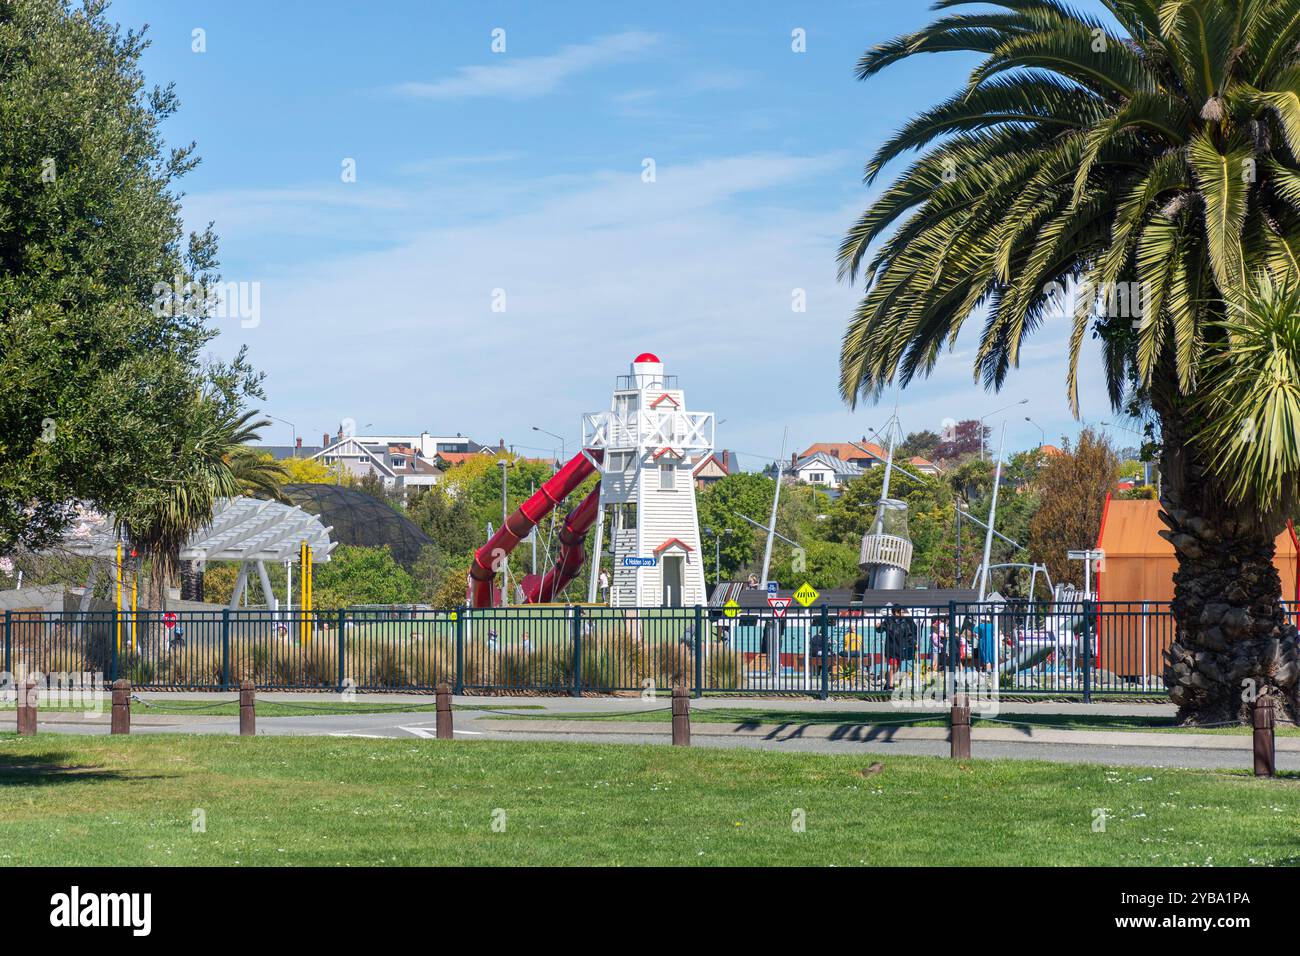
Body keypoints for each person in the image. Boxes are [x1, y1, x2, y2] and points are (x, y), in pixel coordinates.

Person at [882, 605, 915, 690]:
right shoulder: (888, 621)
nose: (904, 613)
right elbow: (880, 630)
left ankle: (887, 683)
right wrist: (878, 626)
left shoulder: (905, 623)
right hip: (891, 647)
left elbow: (909, 635)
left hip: (900, 648)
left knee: (896, 668)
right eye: (902, 612)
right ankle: (891, 686)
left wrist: (913, 643)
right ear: (896, 612)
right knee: (893, 666)